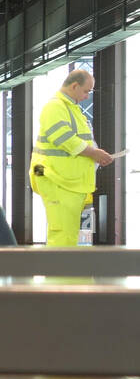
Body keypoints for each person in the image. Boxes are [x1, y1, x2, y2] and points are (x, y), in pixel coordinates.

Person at [29, 69, 114, 247]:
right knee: (63, 235)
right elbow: (63, 138)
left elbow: (81, 143)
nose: (86, 96)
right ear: (74, 86)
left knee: (71, 235)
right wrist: (95, 154)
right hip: (56, 180)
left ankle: (70, 274)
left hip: (69, 183)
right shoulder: (55, 107)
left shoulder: (72, 110)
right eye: (86, 91)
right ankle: (62, 274)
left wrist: (96, 156)